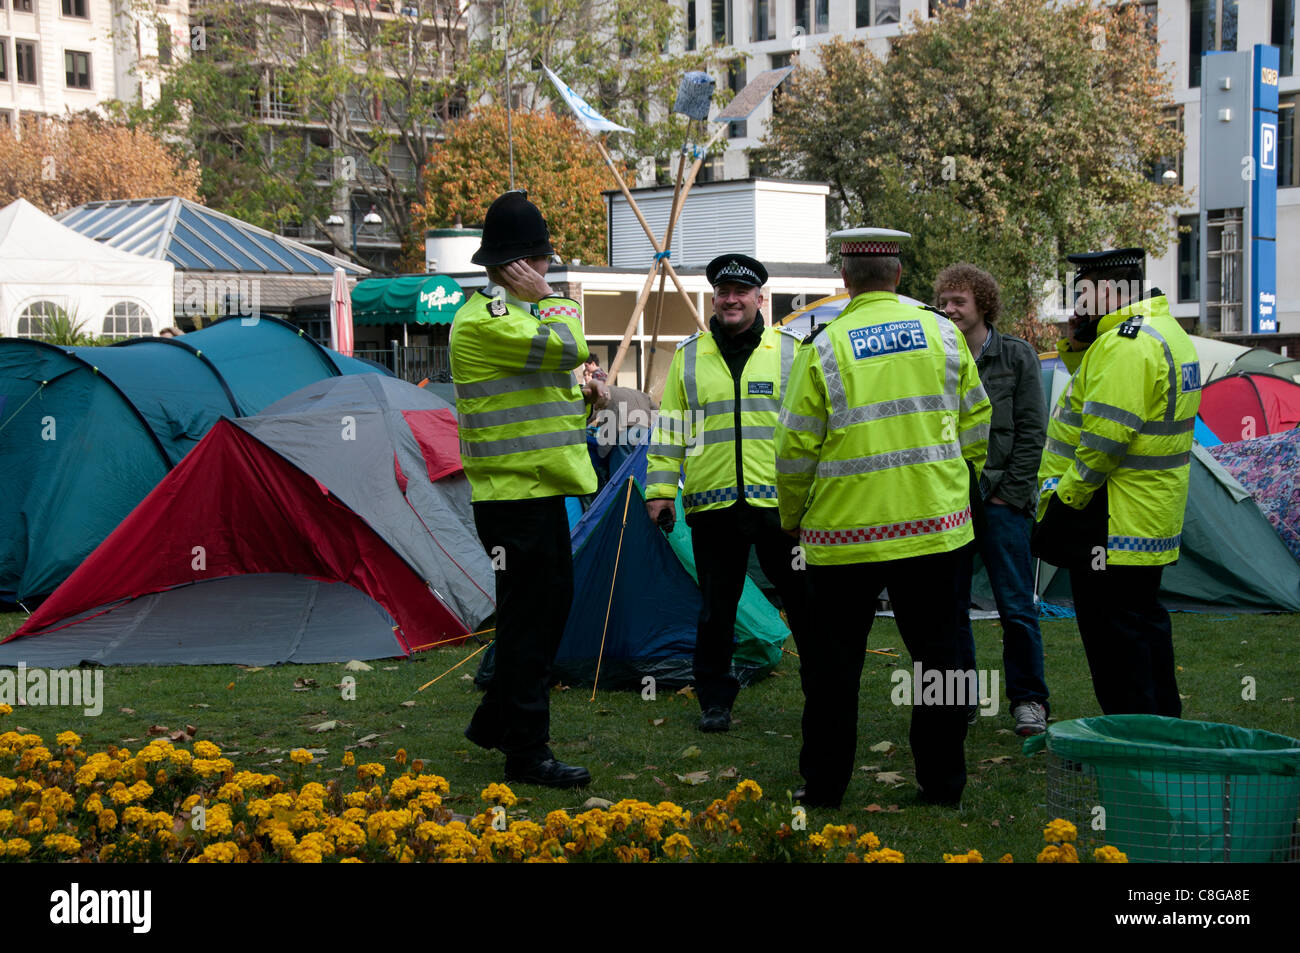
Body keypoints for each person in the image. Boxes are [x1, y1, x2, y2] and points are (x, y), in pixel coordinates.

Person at [775, 228, 991, 809]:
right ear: (898, 276)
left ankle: (823, 786)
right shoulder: (945, 334)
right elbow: (977, 420)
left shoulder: (821, 346)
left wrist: (792, 516)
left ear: (844, 282)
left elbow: (795, 447)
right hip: (936, 532)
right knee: (940, 664)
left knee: (832, 669)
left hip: (844, 539)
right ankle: (943, 783)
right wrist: (959, 476)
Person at [450, 190, 608, 789]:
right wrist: (554, 302)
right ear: (518, 265)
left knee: (538, 619)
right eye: (542, 261)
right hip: (514, 499)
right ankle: (527, 751)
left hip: (537, 494)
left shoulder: (514, 317)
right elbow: (571, 347)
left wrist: (583, 399)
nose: (548, 271)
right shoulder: (488, 320)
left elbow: (539, 393)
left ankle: (499, 722)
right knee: (529, 624)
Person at [644, 253, 813, 733]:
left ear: (761, 298)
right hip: (713, 506)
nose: (732, 300)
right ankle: (715, 701)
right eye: (724, 292)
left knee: (805, 604)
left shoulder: (792, 350)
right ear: (714, 298)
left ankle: (821, 692)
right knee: (716, 611)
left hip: (782, 508)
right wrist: (658, 491)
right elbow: (670, 428)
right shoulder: (689, 355)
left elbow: (812, 426)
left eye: (742, 292)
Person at [1033, 248, 1200, 717]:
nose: (1077, 306)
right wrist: (1079, 341)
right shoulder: (1162, 331)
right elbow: (1100, 389)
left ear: (1110, 291)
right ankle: (1163, 736)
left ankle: (1133, 748)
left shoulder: (1124, 345)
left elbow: (1105, 438)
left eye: (1083, 294)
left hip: (1108, 515)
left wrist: (1066, 502)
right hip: (1146, 517)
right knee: (1143, 631)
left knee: (1115, 647)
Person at [935, 264, 1050, 736]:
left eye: (959, 301)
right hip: (953, 501)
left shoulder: (1018, 357)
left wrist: (1008, 493)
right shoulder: (935, 355)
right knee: (951, 607)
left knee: (1016, 606)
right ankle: (959, 700)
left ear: (984, 303)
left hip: (1003, 503)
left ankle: (1029, 701)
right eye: (944, 301)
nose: (949, 309)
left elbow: (1032, 433)